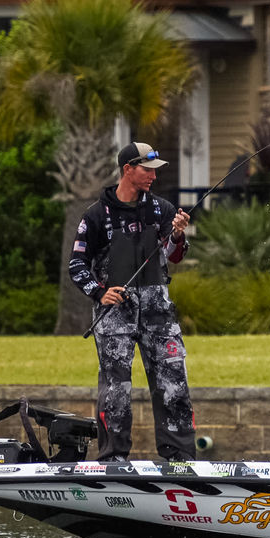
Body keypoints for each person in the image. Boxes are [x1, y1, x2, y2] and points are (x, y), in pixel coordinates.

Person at [68, 141, 196, 462]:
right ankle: (113, 459)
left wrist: (178, 234)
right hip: (114, 318)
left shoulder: (162, 210)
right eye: (147, 169)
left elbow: (175, 255)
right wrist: (100, 291)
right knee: (116, 394)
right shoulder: (96, 216)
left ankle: (180, 460)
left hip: (159, 315)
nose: (153, 176)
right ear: (128, 170)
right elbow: (76, 265)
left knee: (174, 387)